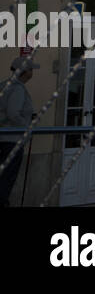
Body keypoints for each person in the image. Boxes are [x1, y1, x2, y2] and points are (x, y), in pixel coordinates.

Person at [0, 57, 37, 207]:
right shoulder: (18, 88)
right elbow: (13, 112)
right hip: (11, 141)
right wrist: (27, 125)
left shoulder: (4, 85)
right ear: (25, 72)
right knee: (6, 179)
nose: (32, 73)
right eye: (31, 70)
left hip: (3, 139)